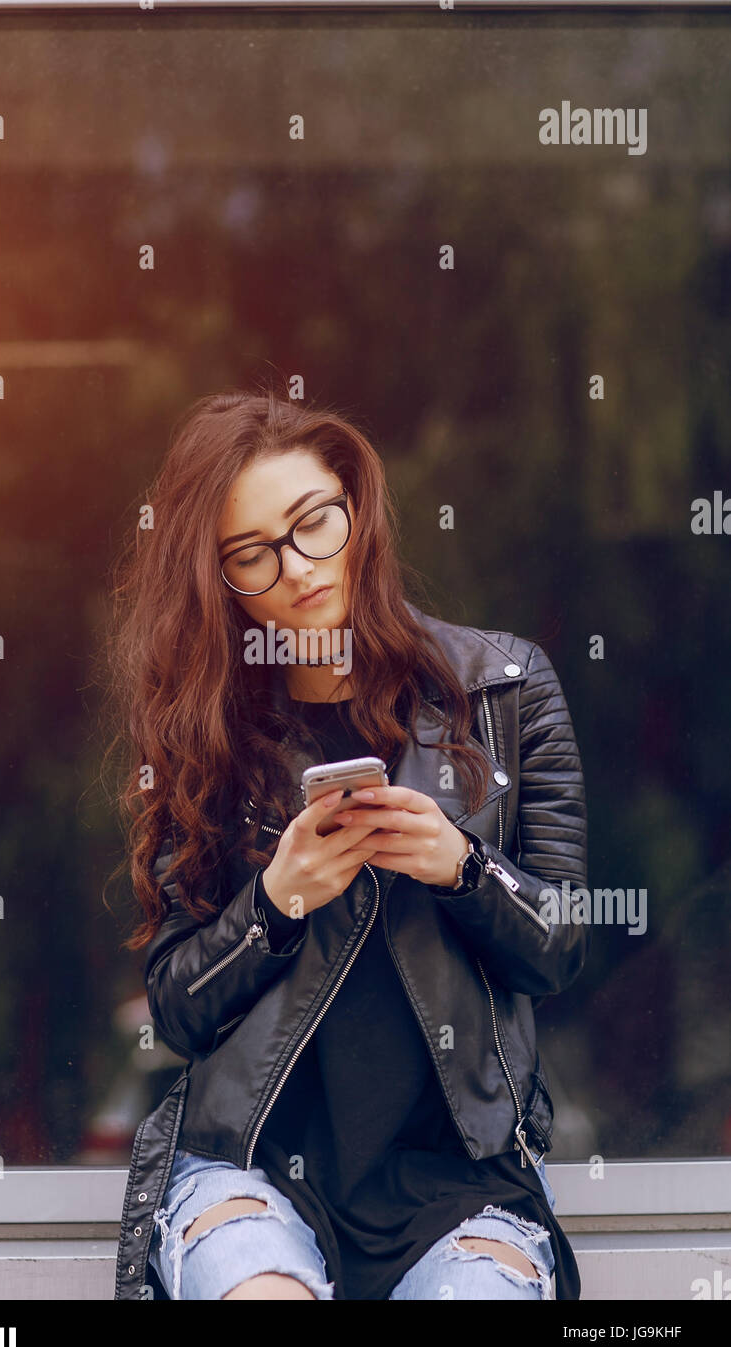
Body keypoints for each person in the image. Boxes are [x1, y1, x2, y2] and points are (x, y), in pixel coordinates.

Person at [110, 388, 589, 1301]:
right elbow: (177, 1012)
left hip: (464, 1186)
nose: (296, 568)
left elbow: (563, 944)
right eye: (252, 554)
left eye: (312, 524)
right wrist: (276, 903)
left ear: (355, 508)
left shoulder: (505, 691)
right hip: (248, 1165)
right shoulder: (206, 731)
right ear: (220, 580)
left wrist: (463, 868)